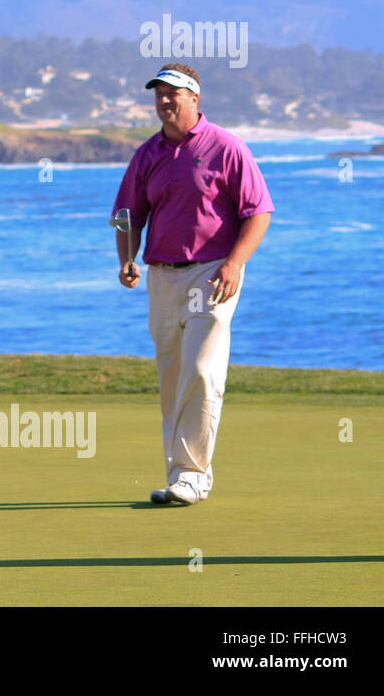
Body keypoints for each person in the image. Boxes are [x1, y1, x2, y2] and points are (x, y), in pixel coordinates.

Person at [113, 64, 273, 506]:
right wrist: (126, 259)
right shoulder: (147, 155)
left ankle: (192, 475)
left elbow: (258, 211)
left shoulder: (227, 147)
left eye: (174, 93)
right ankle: (179, 473)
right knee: (173, 375)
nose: (166, 101)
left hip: (213, 271)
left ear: (195, 99)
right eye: (160, 94)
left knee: (202, 370)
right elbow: (128, 215)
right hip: (162, 275)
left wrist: (236, 263)